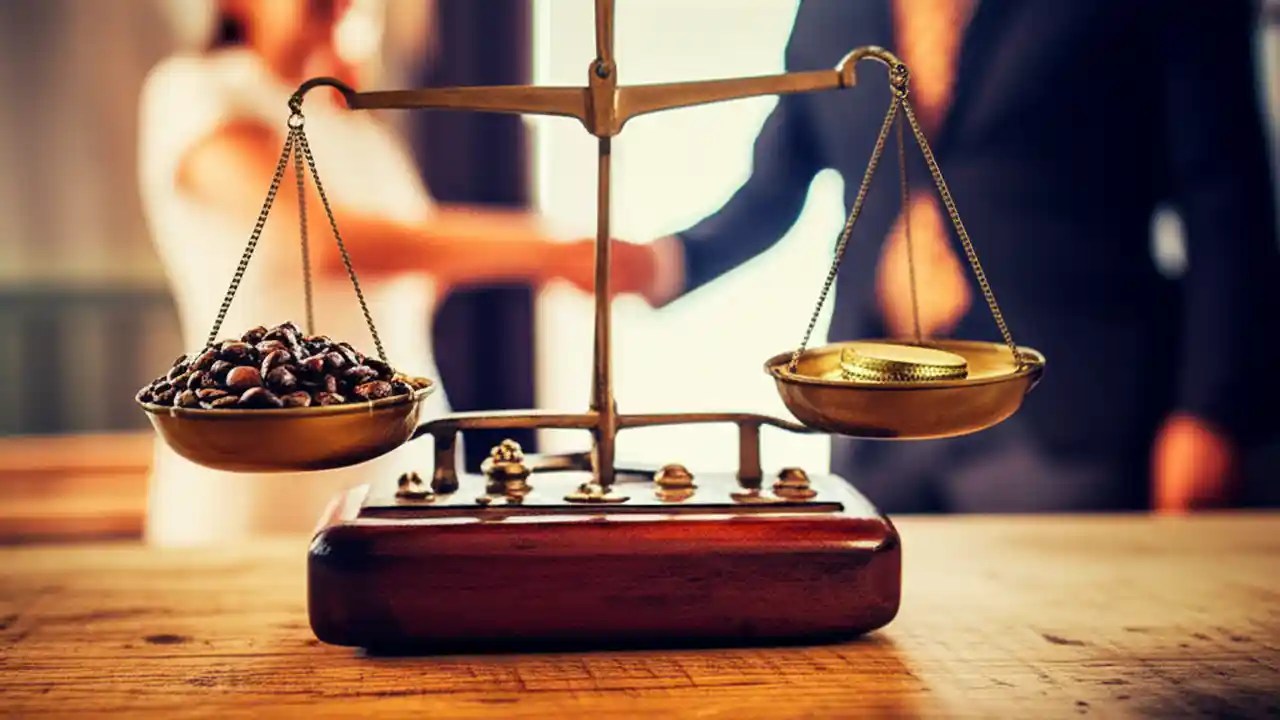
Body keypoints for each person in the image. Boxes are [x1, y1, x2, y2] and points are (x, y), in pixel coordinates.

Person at [599, 0, 1279, 513]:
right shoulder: (833, 10)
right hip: (877, 414)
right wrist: (656, 264)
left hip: (1072, 410)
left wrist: (1211, 413)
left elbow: (1225, 196)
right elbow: (775, 187)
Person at [140, 0, 587, 544]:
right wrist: (553, 249)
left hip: (394, 463)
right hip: (261, 486)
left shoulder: (351, 122)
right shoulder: (198, 91)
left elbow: (416, 266)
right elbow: (329, 243)